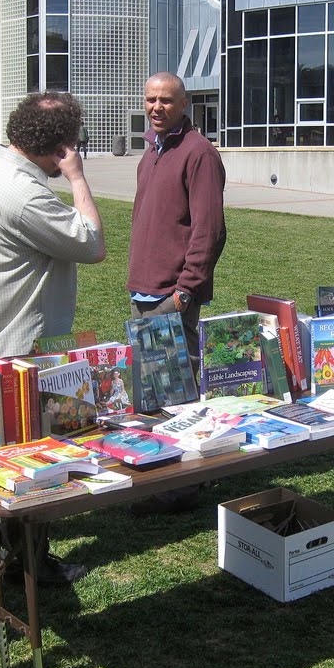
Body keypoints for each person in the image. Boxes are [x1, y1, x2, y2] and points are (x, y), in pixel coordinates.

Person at [0, 92, 105, 585]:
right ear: (61, 145)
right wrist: (78, 178)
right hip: (18, 340)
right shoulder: (24, 193)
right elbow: (92, 243)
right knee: (29, 453)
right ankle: (29, 564)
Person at [126, 71, 226, 515]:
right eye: (150, 99)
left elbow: (209, 230)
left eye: (166, 100)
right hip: (143, 291)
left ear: (185, 104)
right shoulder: (151, 151)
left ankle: (183, 485)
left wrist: (186, 291)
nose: (157, 107)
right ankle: (160, 472)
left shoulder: (199, 153)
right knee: (152, 389)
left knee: (179, 391)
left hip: (173, 294)